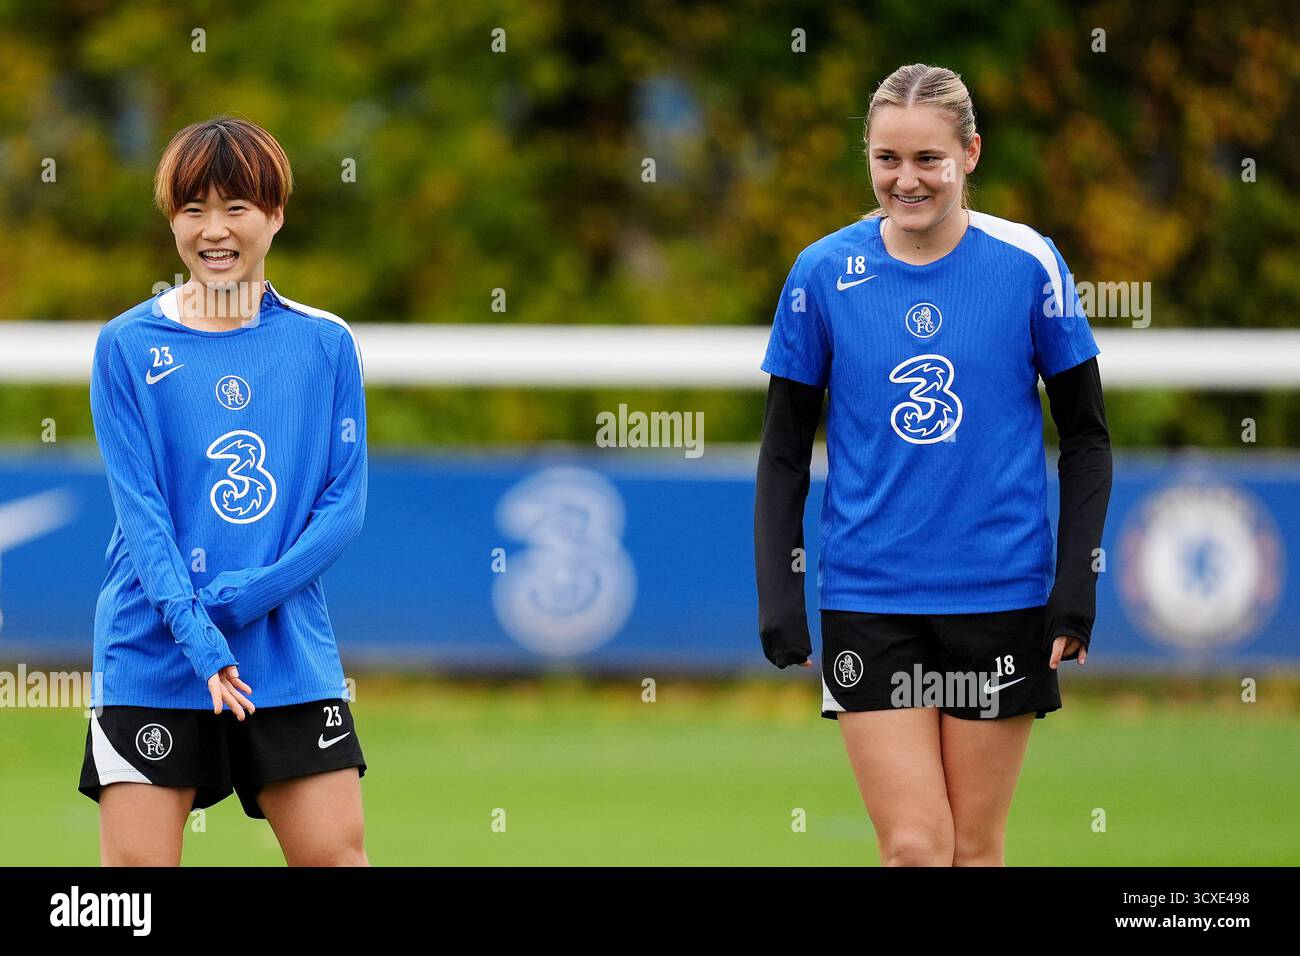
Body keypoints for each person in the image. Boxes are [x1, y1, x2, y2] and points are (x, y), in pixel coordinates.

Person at [754, 64, 1112, 866]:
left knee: (974, 851)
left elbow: (1087, 437)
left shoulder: (1027, 263)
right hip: (869, 599)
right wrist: (780, 593)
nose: (905, 179)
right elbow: (783, 452)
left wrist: (1075, 588)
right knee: (916, 846)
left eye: (927, 160)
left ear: (970, 154)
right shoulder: (821, 275)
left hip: (1000, 596)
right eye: (887, 159)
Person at [80, 116, 370, 866]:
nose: (214, 230)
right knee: (131, 888)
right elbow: (141, 518)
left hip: (281, 646)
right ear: (172, 219)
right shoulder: (127, 347)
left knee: (336, 859)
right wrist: (199, 634)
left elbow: (343, 508)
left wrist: (245, 599)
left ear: (275, 215)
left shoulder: (325, 343)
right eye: (193, 209)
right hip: (155, 646)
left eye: (236, 207)